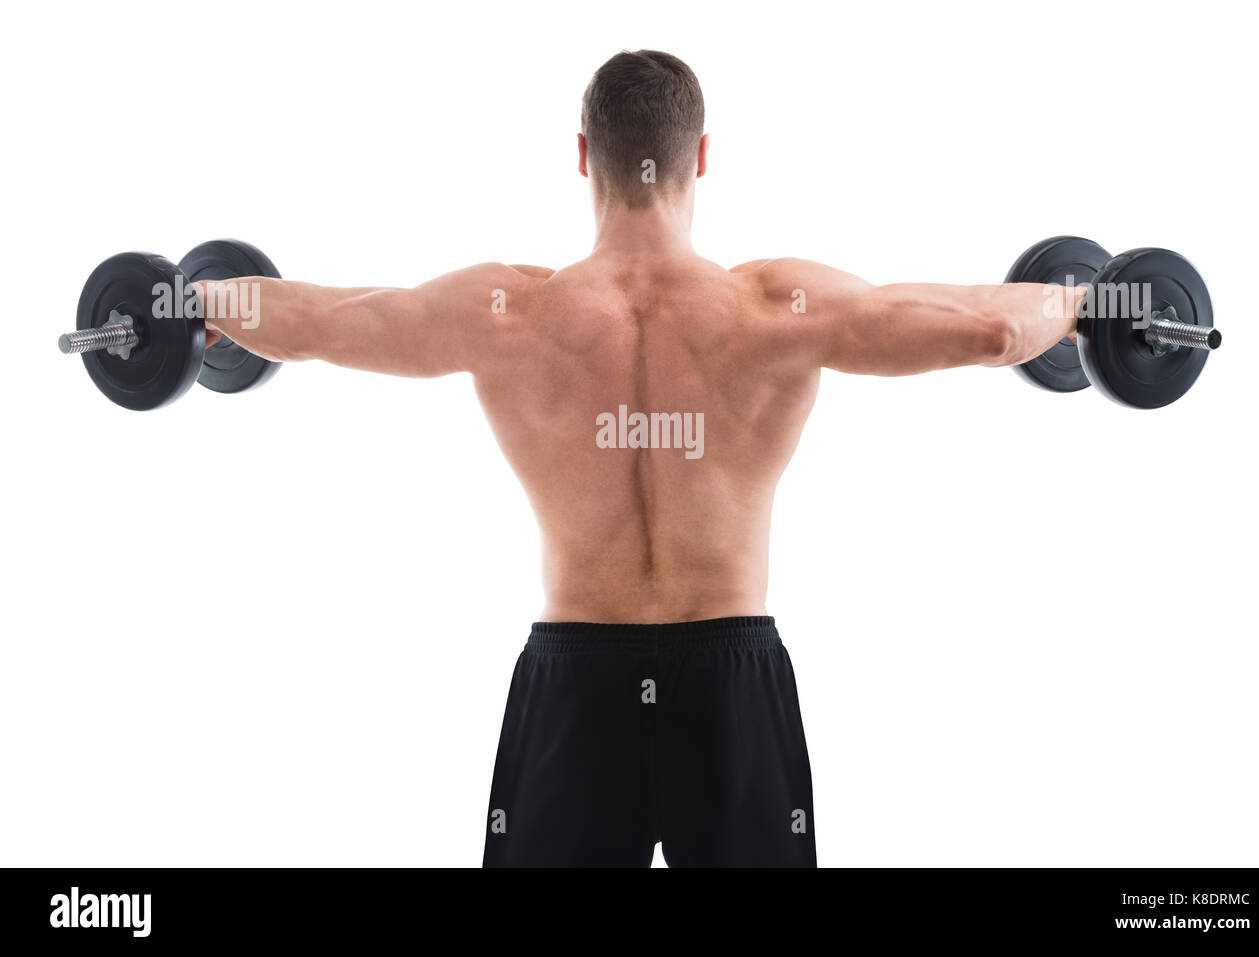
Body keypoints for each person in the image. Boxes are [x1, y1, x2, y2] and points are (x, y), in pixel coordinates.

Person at [196, 50, 1081, 867]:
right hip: (732, 684)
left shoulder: (506, 311)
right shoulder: (782, 308)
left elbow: (320, 321)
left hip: (575, 686)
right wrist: (1089, 301)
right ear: (702, 157)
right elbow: (997, 326)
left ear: (584, 156)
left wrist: (186, 302)